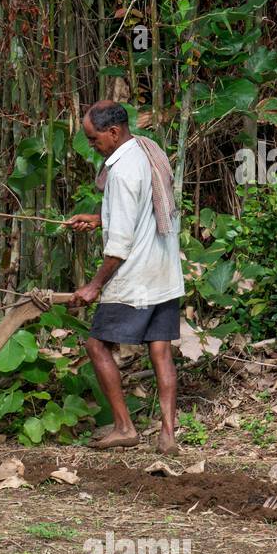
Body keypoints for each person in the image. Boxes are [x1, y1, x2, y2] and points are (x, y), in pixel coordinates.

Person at [63, 100, 185, 454]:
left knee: (96, 345)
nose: (91, 145)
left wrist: (94, 286)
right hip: (165, 272)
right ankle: (167, 436)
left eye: (93, 138)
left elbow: (118, 247)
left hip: (136, 278)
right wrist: (99, 218)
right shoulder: (149, 151)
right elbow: (139, 213)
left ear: (113, 132)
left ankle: (124, 427)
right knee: (160, 351)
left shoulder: (120, 171)